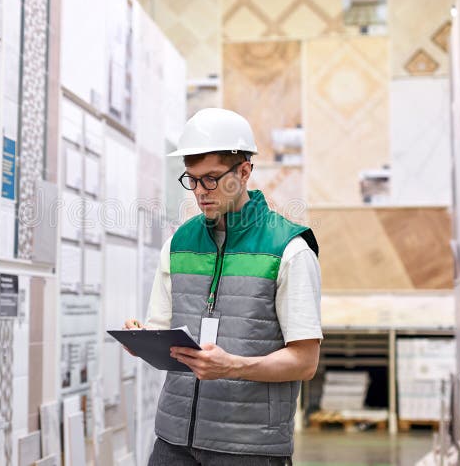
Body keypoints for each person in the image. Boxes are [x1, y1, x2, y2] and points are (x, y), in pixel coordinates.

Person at [123, 108, 323, 466]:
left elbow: (305, 362)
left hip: (249, 448)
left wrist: (233, 366)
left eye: (212, 178)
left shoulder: (289, 249)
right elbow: (161, 331)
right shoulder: (179, 242)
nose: (201, 192)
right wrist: (144, 342)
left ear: (245, 171)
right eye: (193, 179)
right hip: (173, 441)